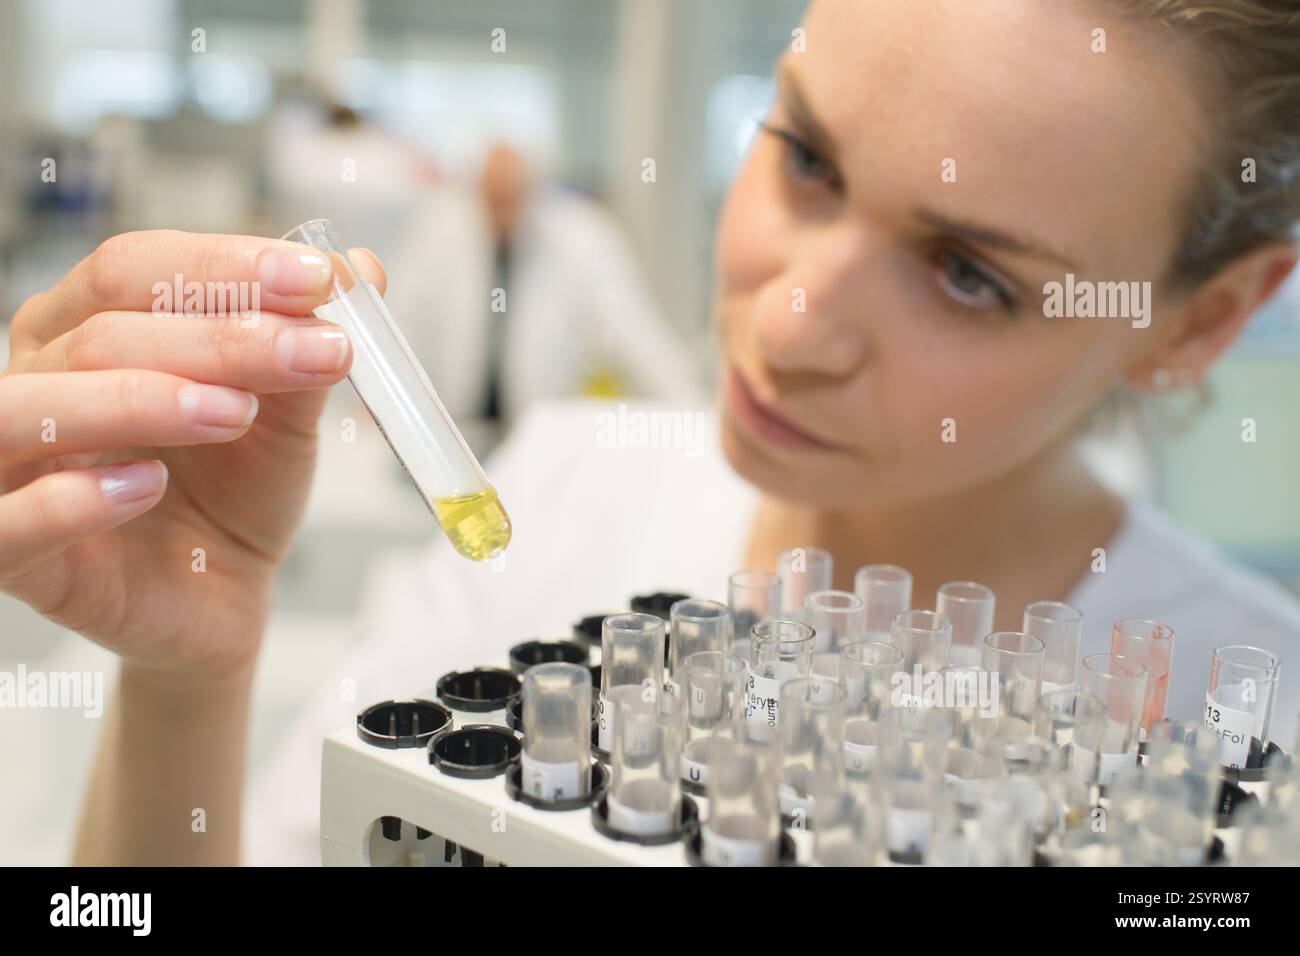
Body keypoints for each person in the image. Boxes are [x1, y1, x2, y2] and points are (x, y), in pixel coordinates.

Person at [2, 0, 1298, 865]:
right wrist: (191, 679)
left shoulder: (1259, 721)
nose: (787, 326)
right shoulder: (566, 493)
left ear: (1204, 320)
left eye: (968, 274)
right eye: (806, 156)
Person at [381, 143, 705, 433]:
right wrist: (383, 403)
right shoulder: (438, 234)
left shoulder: (582, 238)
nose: (503, 213)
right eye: (494, 199)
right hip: (456, 428)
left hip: (536, 430)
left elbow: (636, 336)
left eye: (511, 198)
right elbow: (400, 325)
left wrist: (694, 414)